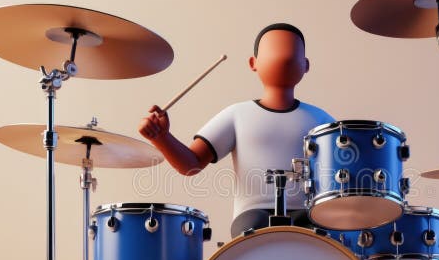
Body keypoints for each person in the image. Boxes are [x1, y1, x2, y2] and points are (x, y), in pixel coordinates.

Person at [138, 23, 334, 237]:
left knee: (316, 230)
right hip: (252, 215)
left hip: (308, 215)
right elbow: (191, 164)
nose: (283, 57)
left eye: (291, 52)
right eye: (273, 50)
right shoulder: (237, 114)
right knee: (253, 229)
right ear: (253, 63)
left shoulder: (321, 120)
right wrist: (162, 138)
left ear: (305, 65)